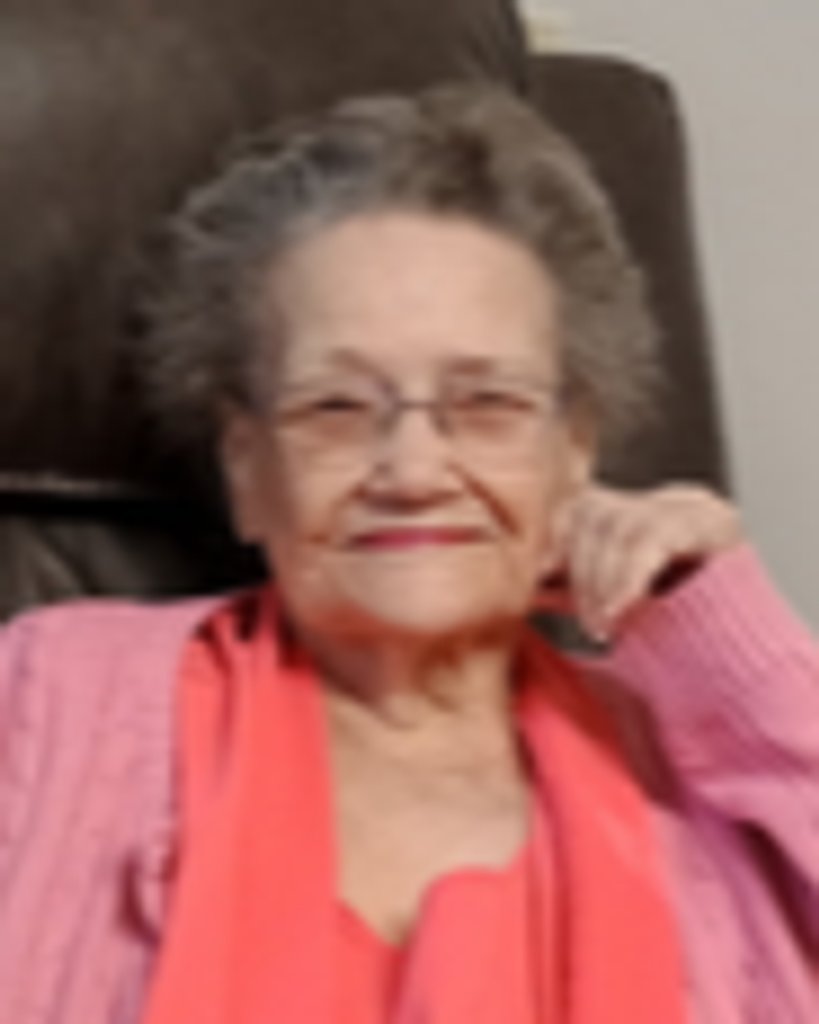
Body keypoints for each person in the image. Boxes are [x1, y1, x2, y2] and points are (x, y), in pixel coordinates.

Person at [1, 84, 817, 1024]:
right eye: (336, 407)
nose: (414, 470)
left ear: (574, 449)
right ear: (247, 464)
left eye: (488, 403)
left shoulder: (705, 772)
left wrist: (722, 639)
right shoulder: (51, 695)